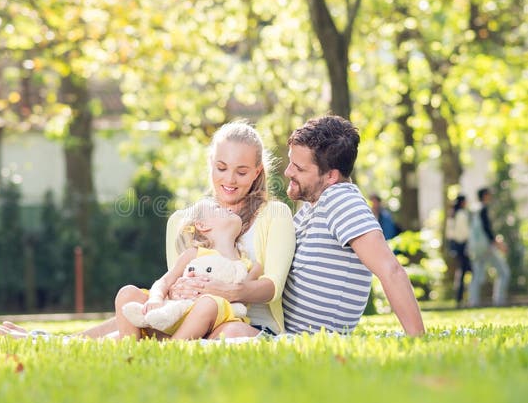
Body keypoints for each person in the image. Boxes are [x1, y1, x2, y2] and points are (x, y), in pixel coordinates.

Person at [0, 120, 296, 341]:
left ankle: (64, 342)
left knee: (228, 335)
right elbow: (176, 294)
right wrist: (171, 291)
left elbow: (272, 287)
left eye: (241, 172)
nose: (229, 179)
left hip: (244, 326)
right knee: (133, 303)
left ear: (257, 171)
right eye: (221, 167)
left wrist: (228, 290)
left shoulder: (274, 214)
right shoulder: (184, 221)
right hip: (190, 322)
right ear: (210, 165)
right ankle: (57, 341)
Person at [193, 114, 425, 338]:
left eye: (299, 168)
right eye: (291, 162)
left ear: (331, 177)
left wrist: (417, 337)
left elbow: (391, 270)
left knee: (228, 334)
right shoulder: (313, 207)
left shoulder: (341, 200)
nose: (287, 172)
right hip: (279, 330)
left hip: (304, 339)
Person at [118, 198, 262, 339]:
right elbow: (165, 281)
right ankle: (130, 350)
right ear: (202, 225)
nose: (229, 208)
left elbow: (242, 298)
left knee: (208, 303)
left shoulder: (246, 265)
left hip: (216, 320)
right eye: (218, 208)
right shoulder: (195, 253)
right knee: (127, 293)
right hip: (176, 313)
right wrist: (156, 298)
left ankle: (173, 347)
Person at [468, 187, 510, 307]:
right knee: (503, 272)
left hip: (476, 249)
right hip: (487, 247)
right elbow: (487, 230)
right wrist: (498, 244)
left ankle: (473, 301)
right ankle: (499, 300)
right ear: (485, 195)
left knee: (477, 275)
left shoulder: (473, 210)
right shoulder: (483, 209)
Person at [447, 194, 472, 307]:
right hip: (462, 245)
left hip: (456, 246)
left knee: (462, 272)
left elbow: (450, 233)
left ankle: (460, 297)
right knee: (468, 271)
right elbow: (465, 232)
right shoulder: (462, 214)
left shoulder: (452, 215)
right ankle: (464, 297)